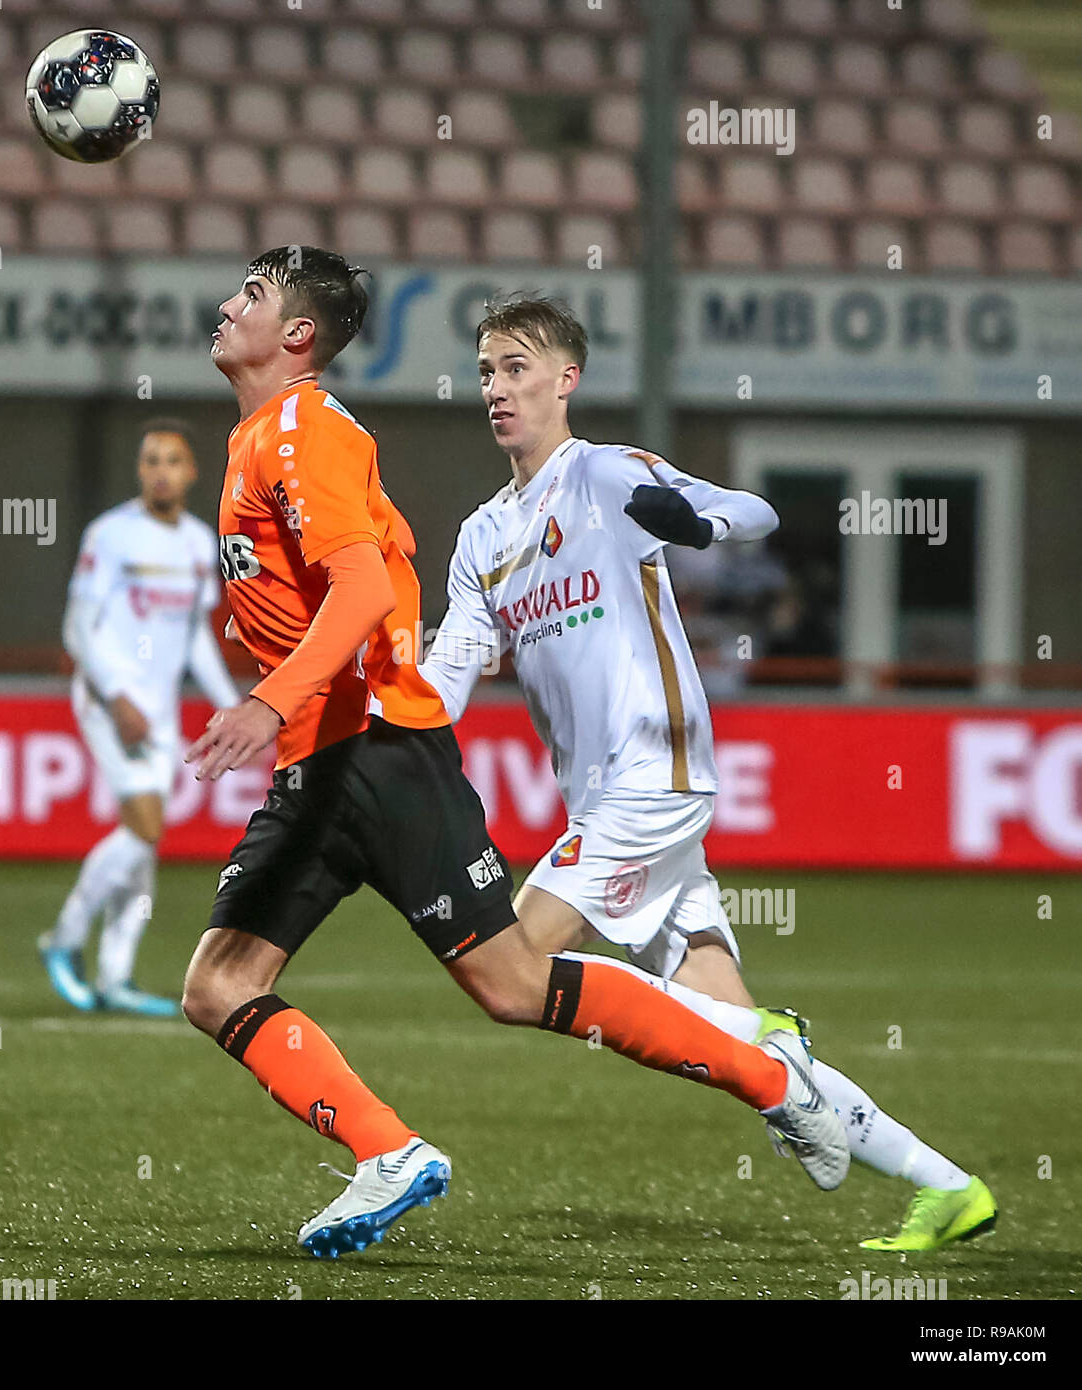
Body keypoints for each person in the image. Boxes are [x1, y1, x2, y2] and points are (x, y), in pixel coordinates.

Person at [178, 246, 847, 1261]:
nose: (226, 306)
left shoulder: (303, 431)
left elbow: (359, 591)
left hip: (372, 752)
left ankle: (769, 1074)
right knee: (237, 984)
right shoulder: (261, 440)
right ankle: (394, 1153)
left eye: (254, 296)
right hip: (331, 756)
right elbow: (394, 602)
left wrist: (270, 701)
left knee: (511, 980)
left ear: (300, 335)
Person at [419, 293, 995, 1254]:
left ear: (567, 380)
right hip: (604, 796)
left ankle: (778, 1063)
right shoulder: (483, 538)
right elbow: (448, 683)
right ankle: (943, 1183)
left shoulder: (605, 476)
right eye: (486, 371)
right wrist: (382, 712)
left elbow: (754, 508)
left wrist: (694, 522)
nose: (497, 389)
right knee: (734, 1029)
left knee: (513, 964)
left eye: (517, 368)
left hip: (658, 770)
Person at [39, 420, 238, 1016]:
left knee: (143, 845)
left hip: (158, 710)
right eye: (150, 459)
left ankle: (115, 978)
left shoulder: (202, 543)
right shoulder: (112, 535)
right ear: (139, 470)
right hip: (110, 702)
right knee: (146, 827)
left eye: (171, 460)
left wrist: (233, 704)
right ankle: (64, 938)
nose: (159, 470)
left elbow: (197, 638)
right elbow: (77, 626)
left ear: (191, 472)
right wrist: (118, 695)